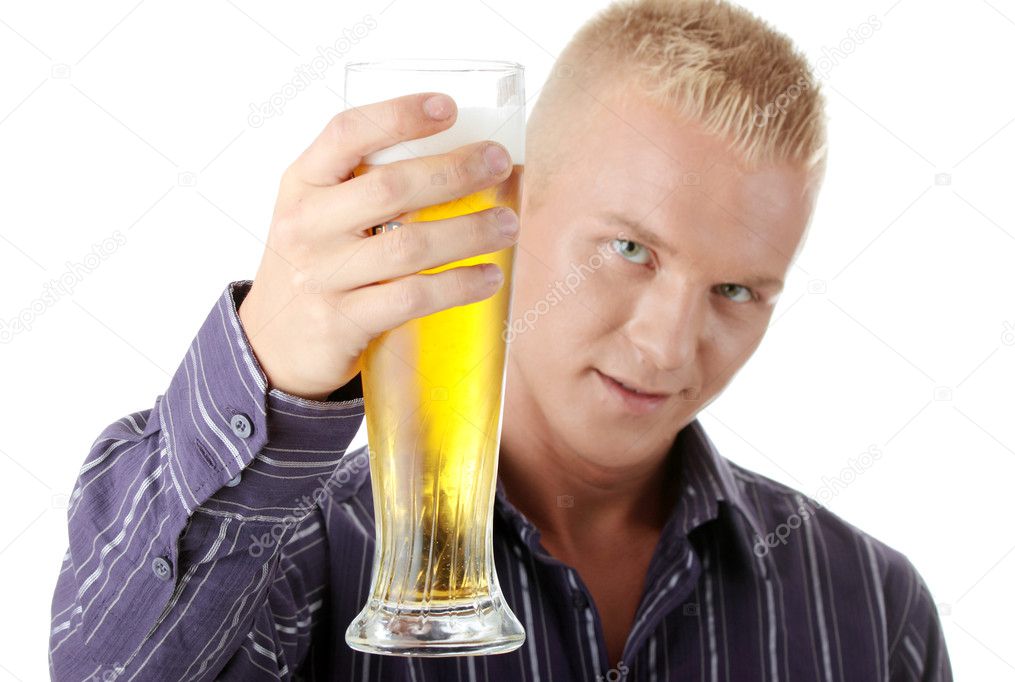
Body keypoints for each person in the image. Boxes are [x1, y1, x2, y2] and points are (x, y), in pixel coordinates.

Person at [48, 0, 953, 679]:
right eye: (629, 249)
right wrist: (268, 374)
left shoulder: (872, 609)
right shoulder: (295, 559)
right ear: (509, 210)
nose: (667, 347)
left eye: (736, 290)